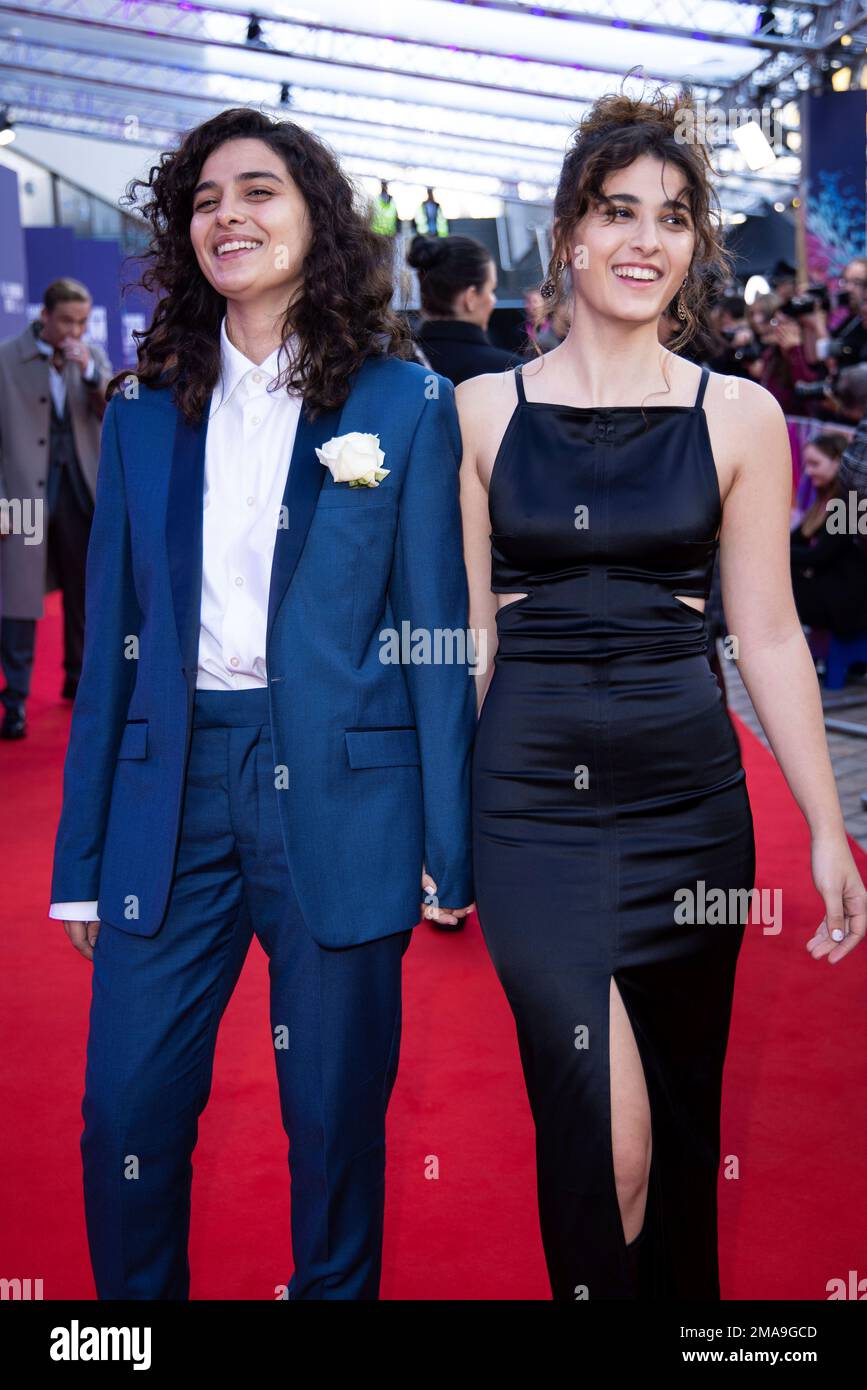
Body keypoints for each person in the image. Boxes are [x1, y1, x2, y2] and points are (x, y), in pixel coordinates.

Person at [47, 106, 475, 1300]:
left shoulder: (401, 404)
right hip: (171, 788)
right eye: (203, 200)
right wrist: (80, 858)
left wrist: (450, 838)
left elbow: (435, 636)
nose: (227, 215)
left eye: (258, 191)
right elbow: (111, 656)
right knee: (122, 1114)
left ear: (315, 219)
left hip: (340, 793)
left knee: (335, 1126)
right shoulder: (141, 412)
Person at [457, 87, 865, 1301]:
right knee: (606, 1141)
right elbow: (464, 636)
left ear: (693, 247)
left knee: (679, 1130)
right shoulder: (480, 412)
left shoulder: (736, 414)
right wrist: (440, 824)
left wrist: (826, 828)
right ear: (569, 235)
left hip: (691, 804)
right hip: (528, 807)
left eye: (674, 217)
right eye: (618, 211)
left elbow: (772, 636)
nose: (646, 238)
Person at [0, 278, 112, 738]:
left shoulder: (91, 359)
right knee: (20, 600)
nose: (75, 331)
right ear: (44, 316)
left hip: (79, 493)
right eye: (67, 320)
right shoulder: (7, 359)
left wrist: (89, 375)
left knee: (83, 592)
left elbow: (117, 408)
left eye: (83, 322)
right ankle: (16, 701)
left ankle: (78, 680)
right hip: (24, 499)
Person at [408, 234, 518, 386]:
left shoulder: (396, 365)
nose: (494, 300)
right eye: (491, 290)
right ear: (470, 298)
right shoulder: (511, 373)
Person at [790, 433, 867, 641]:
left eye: (815, 464)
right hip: (829, 592)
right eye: (806, 464)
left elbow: (819, 555)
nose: (808, 471)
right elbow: (794, 541)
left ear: (838, 462)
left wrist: (772, 553)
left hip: (848, 605)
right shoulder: (822, 500)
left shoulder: (850, 503)